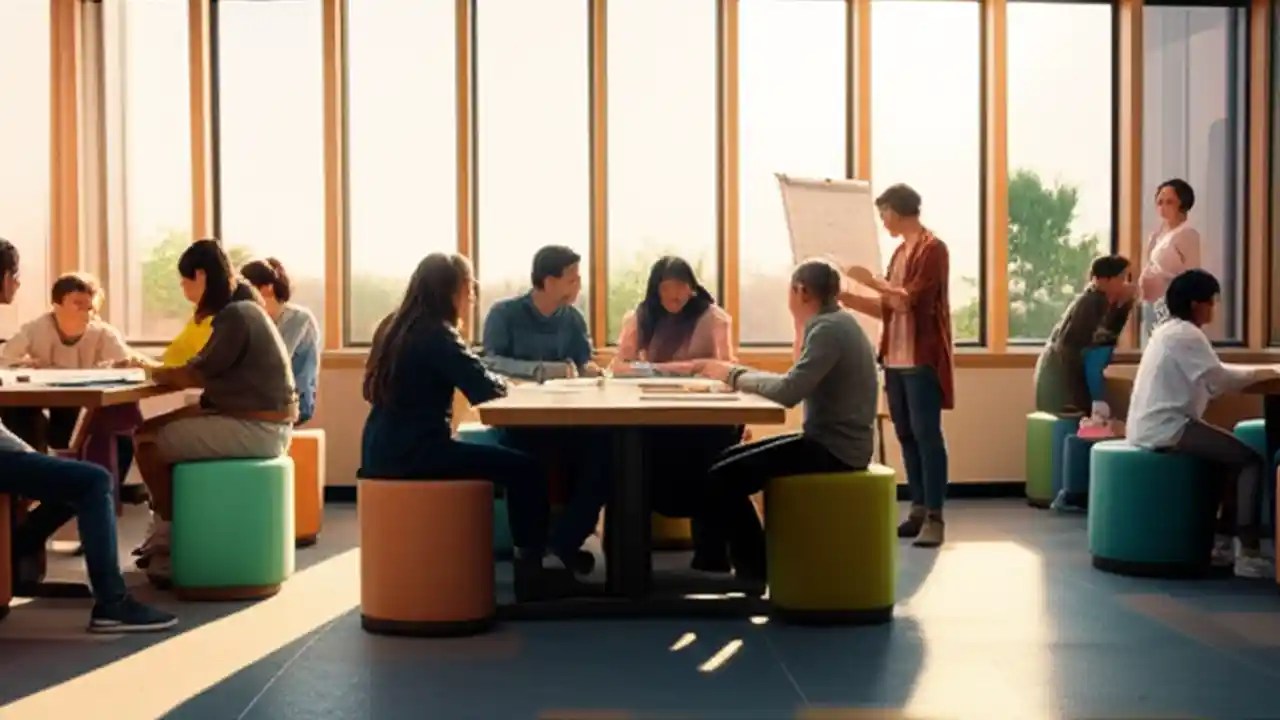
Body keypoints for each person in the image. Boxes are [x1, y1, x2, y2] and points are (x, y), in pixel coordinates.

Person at [360, 253, 585, 598]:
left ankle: (537, 561)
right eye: (470, 288)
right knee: (527, 470)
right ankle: (532, 572)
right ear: (454, 291)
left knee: (516, 462)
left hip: (382, 447)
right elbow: (484, 389)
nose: (473, 297)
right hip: (416, 454)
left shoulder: (395, 326)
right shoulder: (438, 334)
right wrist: (513, 384)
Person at [0, 238, 176, 632]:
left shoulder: (101, 332)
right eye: (15, 276)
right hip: (23, 434)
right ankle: (111, 603)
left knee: (78, 473)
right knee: (93, 480)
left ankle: (18, 548)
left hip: (46, 423)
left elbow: (128, 360)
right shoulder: (33, 329)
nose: (17, 284)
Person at [125, 240, 297, 584]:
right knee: (150, 430)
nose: (184, 290)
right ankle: (167, 533)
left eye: (185, 281)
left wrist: (147, 369)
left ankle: (167, 543)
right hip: (258, 419)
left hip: (258, 429)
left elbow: (195, 373)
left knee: (148, 442)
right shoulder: (246, 309)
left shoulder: (236, 316)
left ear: (201, 275)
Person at [697, 260, 878, 583]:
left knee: (723, 478)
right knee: (723, 462)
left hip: (836, 450)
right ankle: (719, 560)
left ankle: (754, 573)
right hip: (834, 442)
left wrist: (734, 374)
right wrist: (742, 375)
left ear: (801, 291)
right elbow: (792, 380)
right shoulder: (836, 323)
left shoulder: (827, 330)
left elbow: (788, 392)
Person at [1126, 269, 1274, 579]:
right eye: (1212, 301)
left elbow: (1213, 373)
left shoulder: (1169, 331)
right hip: (1168, 426)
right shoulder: (1186, 334)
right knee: (1250, 461)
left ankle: (1221, 546)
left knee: (1231, 459)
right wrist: (1265, 372)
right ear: (1197, 304)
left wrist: (1258, 372)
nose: (1213, 308)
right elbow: (1220, 380)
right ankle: (1247, 552)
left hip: (1156, 423)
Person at [480, 245, 608, 575]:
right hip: (521, 422)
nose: (578, 286)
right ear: (548, 281)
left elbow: (582, 363)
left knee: (608, 452)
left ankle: (565, 542)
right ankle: (532, 553)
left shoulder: (573, 319)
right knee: (528, 459)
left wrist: (591, 371)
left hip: (570, 420)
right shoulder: (504, 314)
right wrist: (543, 370)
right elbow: (489, 362)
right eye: (572, 279)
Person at [610, 256, 741, 571]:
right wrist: (686, 368)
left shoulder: (713, 318)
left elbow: (724, 370)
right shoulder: (642, 316)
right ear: (656, 291)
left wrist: (653, 369)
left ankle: (712, 554)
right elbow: (619, 367)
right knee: (627, 452)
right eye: (668, 291)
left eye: (682, 291)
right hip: (656, 412)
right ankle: (630, 561)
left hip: (706, 414)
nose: (675, 298)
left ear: (693, 289)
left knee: (711, 457)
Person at [842, 183, 954, 547]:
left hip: (921, 359)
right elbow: (889, 309)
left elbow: (909, 300)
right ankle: (918, 510)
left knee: (927, 435)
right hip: (894, 358)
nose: (883, 221)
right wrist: (847, 296)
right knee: (906, 434)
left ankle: (935, 517)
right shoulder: (898, 254)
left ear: (896, 209)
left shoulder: (933, 249)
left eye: (884, 213)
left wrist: (872, 281)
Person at [0, 273, 142, 497]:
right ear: (56, 305)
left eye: (89, 306)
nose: (85, 312)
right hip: (46, 400)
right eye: (77, 304)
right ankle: (29, 490)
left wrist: (116, 366)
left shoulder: (103, 333)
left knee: (119, 425)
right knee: (22, 418)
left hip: (85, 402)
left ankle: (109, 490)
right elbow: (5, 359)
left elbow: (129, 367)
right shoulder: (35, 329)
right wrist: (26, 365)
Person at [1033, 255, 1136, 437]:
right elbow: (1076, 350)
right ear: (1103, 280)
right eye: (1121, 278)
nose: (1125, 284)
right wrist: (1091, 401)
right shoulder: (1093, 302)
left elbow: (1103, 340)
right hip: (1062, 392)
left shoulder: (1094, 302)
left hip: (1057, 388)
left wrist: (1124, 306)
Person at [242, 258, 321, 425]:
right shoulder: (255, 319)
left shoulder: (299, 319)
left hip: (294, 403)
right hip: (264, 400)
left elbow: (273, 364)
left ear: (267, 288)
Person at [1140, 179, 1200, 328]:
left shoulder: (1187, 233)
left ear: (1182, 204)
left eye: (1169, 202)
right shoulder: (1156, 235)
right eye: (1160, 202)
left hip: (1171, 307)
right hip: (1150, 305)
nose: (1163, 207)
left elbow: (1192, 274)